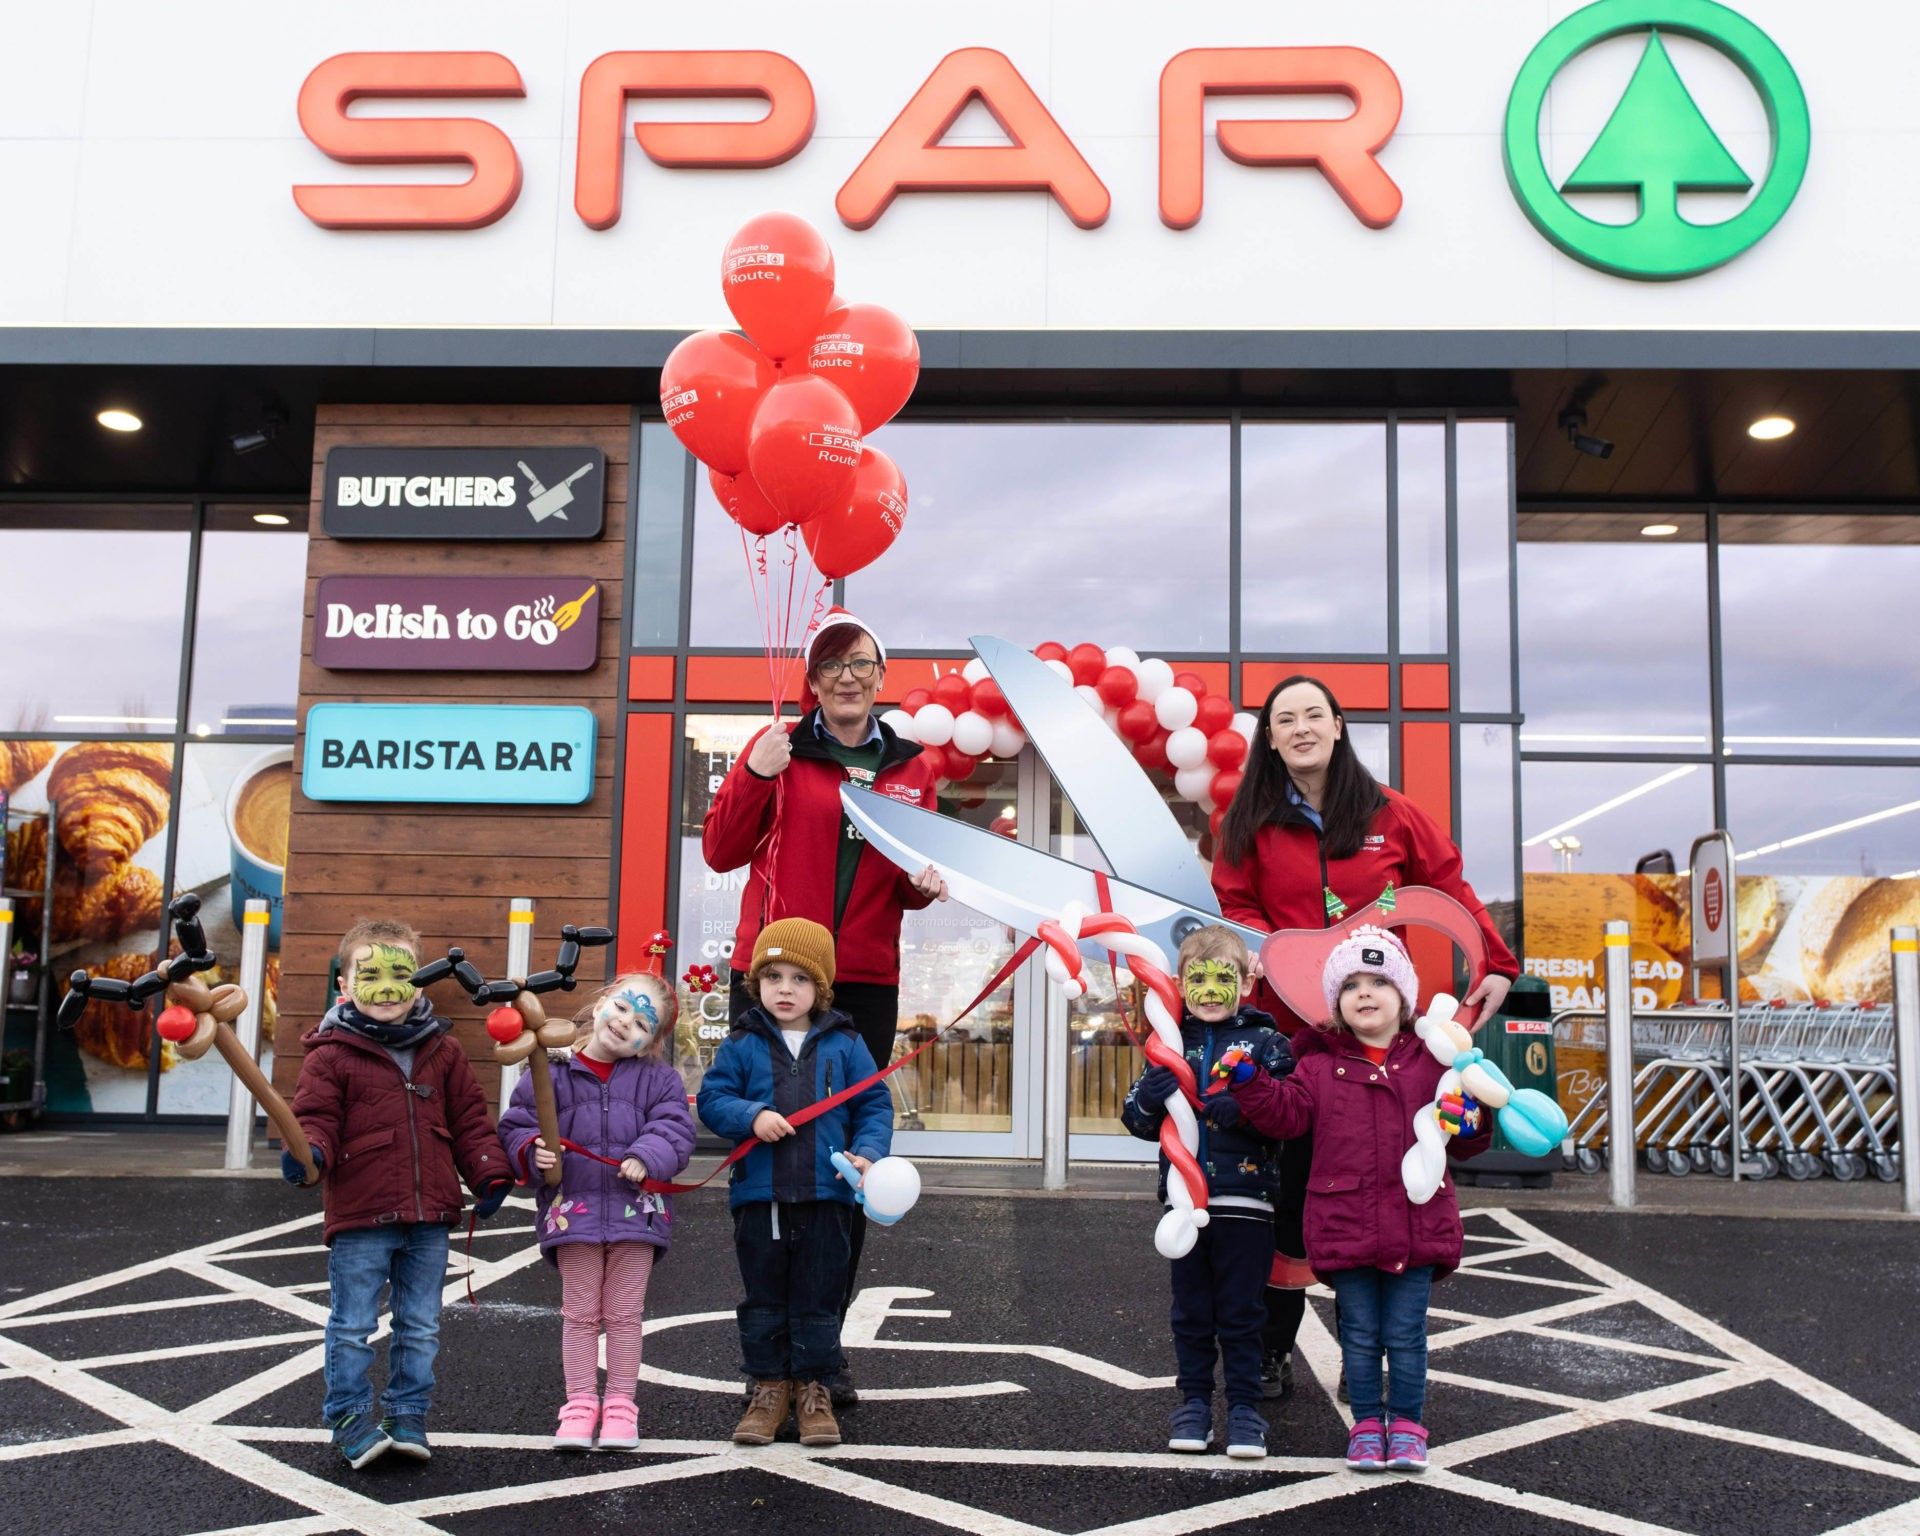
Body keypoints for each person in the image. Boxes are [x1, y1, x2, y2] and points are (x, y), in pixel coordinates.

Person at [1211, 674, 1519, 1401]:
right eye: (1284, 720)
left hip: (1381, 1047)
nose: (1301, 728)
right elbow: (1234, 900)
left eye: (1314, 714)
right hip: (1291, 1038)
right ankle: (1271, 1350)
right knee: (1288, 1202)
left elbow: (1450, 889)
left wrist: (1497, 964)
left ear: (1340, 725)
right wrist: (1253, 943)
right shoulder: (1248, 819)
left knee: (1381, 1193)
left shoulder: (1392, 814)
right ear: (1271, 738)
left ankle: (1366, 1357)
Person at [702, 606, 947, 1406]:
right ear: (811, 682)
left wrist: (925, 884)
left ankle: (820, 1354)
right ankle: (771, 1359)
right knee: (774, 1165)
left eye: (863, 664)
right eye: (833, 665)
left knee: (844, 1166)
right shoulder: (780, 749)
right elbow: (720, 850)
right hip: (775, 970)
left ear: (882, 678)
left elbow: (908, 881)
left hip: (863, 983)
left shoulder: (913, 767)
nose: (849, 678)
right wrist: (755, 773)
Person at [1225, 926, 1491, 1473]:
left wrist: (1467, 1120)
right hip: (1346, 1222)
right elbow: (1286, 1113)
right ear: (1337, 1005)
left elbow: (1467, 1133)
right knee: (1362, 1335)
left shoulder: (1433, 1061)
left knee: (1407, 1335)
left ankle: (1410, 1426)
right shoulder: (1319, 1066)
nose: (1365, 993)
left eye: (1379, 981)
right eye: (1351, 985)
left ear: (1405, 996)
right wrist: (1250, 1083)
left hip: (1417, 1223)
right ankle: (1368, 1427)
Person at [287, 917, 513, 1469]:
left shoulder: (444, 1050)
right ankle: (348, 1416)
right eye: (370, 975)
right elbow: (313, 1119)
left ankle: (408, 1415)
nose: (387, 989)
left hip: (431, 1214)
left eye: (401, 974)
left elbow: (469, 1122)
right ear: (344, 985)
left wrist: (488, 1172)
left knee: (421, 1323)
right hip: (362, 1214)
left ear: (421, 981)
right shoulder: (330, 1055)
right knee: (354, 1323)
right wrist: (308, 1153)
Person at [695, 918, 893, 1450]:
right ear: (756, 983)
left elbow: (874, 1106)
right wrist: (752, 1114)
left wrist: (869, 1154)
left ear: (821, 989)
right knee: (763, 1300)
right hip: (760, 1198)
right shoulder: (741, 1043)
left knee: (819, 1299)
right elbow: (712, 1100)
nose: (785, 988)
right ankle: (767, 1390)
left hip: (828, 1197)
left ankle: (814, 1390)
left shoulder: (847, 1044)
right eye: (774, 976)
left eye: (800, 979)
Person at [499, 971, 695, 1453]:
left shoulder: (659, 1080)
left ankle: (622, 1404)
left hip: (636, 1217)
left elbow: (675, 1129)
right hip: (574, 1213)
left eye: (643, 1022)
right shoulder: (550, 1070)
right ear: (604, 1001)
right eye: (624, 1007)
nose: (627, 1022)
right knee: (581, 1313)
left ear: (652, 1041)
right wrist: (530, 1151)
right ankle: (580, 1403)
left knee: (625, 1313)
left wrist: (647, 1154)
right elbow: (517, 1124)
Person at [1120, 926, 1293, 1460]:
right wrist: (1149, 1099)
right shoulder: (1169, 1043)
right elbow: (1135, 1120)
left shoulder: (1268, 1043)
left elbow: (1289, 1115)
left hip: (1246, 1205)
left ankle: (1244, 1411)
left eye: (1225, 978)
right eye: (1199, 978)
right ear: (1179, 983)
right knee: (1191, 1313)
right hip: (1184, 1206)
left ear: (1246, 983)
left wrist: (1247, 1109)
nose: (1211, 990)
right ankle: (1193, 1404)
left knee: (1242, 1314)